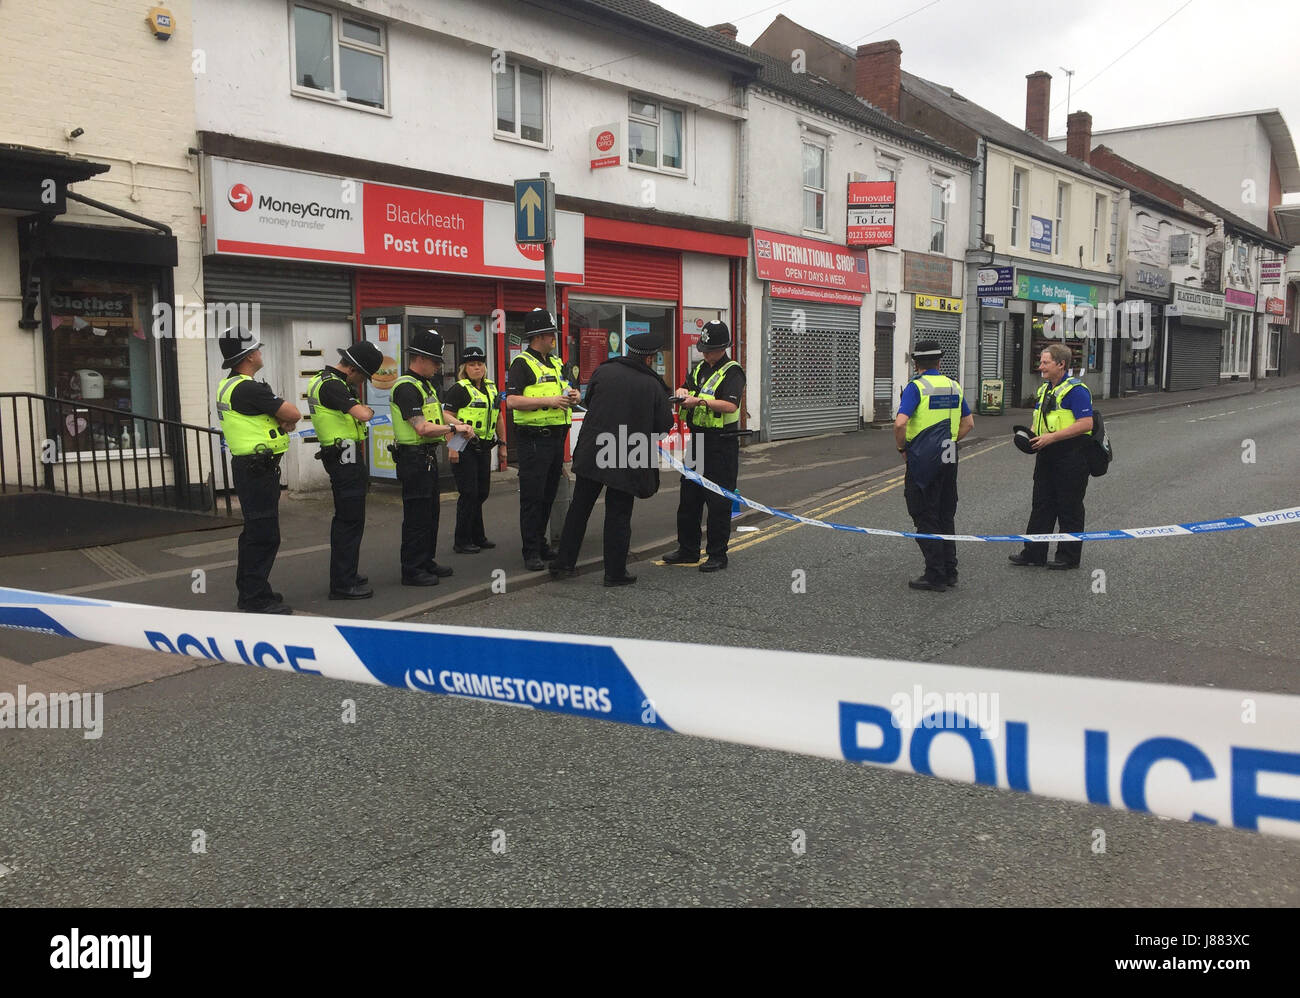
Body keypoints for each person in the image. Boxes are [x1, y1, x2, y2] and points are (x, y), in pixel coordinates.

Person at [549, 331, 675, 587]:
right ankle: (615, 572)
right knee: (618, 513)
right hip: (627, 456)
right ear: (649, 359)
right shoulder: (653, 386)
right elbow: (663, 426)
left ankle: (564, 564)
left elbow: (591, 401)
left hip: (594, 451)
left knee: (579, 508)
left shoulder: (603, 371)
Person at [215, 327, 301, 614]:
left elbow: (273, 420)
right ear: (250, 356)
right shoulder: (249, 388)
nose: (261, 353)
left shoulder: (228, 386)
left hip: (250, 467)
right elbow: (293, 414)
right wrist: (283, 419)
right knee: (264, 534)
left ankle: (254, 589)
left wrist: (280, 421)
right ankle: (254, 598)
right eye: (258, 349)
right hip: (257, 469)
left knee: (254, 532)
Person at [390, 328, 476, 586]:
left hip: (426, 457)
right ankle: (412, 569)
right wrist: (453, 429)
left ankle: (426, 560)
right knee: (417, 516)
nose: (439, 366)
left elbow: (437, 416)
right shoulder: (406, 387)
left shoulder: (424, 384)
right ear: (420, 358)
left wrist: (459, 424)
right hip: (413, 458)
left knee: (431, 513)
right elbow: (421, 427)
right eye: (436, 361)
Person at [661, 319, 745, 572]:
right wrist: (681, 391)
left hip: (721, 444)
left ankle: (718, 554)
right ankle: (688, 550)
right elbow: (686, 387)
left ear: (723, 348)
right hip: (697, 442)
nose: (705, 354)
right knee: (689, 499)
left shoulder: (733, 371)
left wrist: (698, 402)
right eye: (703, 349)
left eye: (710, 350)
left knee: (718, 502)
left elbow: (730, 406)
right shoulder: (700, 369)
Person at [893, 340, 974, 592]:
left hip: (924, 458)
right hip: (949, 453)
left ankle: (935, 573)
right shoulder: (953, 385)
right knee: (945, 512)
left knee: (924, 512)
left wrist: (902, 448)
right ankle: (950, 570)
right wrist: (948, 441)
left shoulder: (915, 387)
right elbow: (969, 423)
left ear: (916, 364)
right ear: (940, 362)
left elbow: (899, 424)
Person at [1009, 342, 1095, 570]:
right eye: (1041, 362)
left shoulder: (1076, 391)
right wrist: (1030, 437)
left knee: (1069, 507)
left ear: (1061, 364)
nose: (1041, 367)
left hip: (1072, 455)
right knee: (1041, 505)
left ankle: (1067, 557)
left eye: (1045, 362)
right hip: (1047, 454)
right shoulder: (1045, 389)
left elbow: (1086, 424)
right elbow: (1041, 419)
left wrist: (1052, 438)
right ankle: (1034, 553)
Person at [505, 308, 579, 571]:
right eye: (552, 335)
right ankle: (531, 551)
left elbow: (569, 389)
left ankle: (541, 543)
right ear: (540, 336)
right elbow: (511, 401)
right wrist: (548, 401)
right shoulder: (521, 364)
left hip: (556, 438)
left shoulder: (557, 363)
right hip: (534, 440)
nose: (555, 339)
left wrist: (574, 396)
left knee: (549, 495)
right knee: (533, 497)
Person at [307, 341, 381, 600]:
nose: (362, 382)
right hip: (344, 458)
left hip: (342, 455)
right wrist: (368, 410)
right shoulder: (332, 385)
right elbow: (362, 414)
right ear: (353, 369)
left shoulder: (323, 380)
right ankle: (342, 584)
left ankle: (347, 573)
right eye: (363, 376)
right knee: (349, 521)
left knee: (350, 519)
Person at [441, 345, 499, 554]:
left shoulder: (491, 388)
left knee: (481, 492)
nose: (477, 368)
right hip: (463, 446)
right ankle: (462, 540)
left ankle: (478, 536)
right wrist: (452, 446)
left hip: (483, 446)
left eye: (480, 364)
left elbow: (499, 416)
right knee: (469, 493)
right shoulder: (459, 389)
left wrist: (502, 447)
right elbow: (445, 415)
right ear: (464, 367)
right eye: (472, 364)